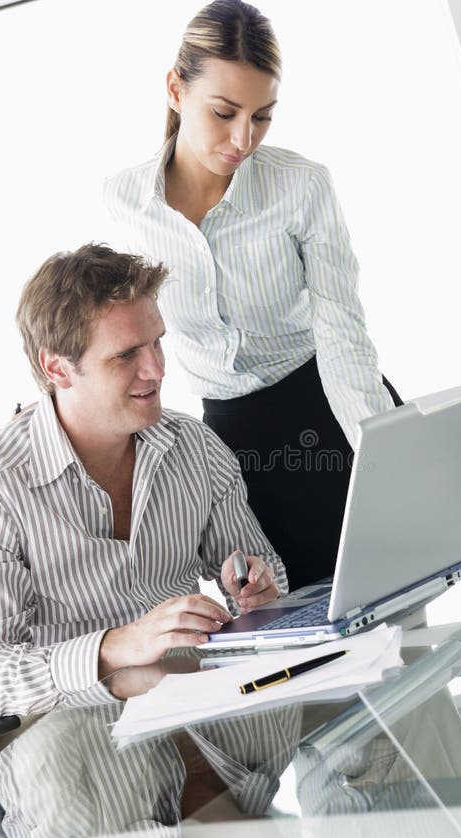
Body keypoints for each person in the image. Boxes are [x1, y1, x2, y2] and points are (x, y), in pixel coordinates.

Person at [104, 0, 398, 592]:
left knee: (396, 613)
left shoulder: (301, 185)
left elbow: (343, 334)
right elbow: (119, 337)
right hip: (233, 447)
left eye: (262, 116)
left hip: (330, 412)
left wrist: (386, 454)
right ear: (175, 90)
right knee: (284, 625)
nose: (244, 138)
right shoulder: (126, 203)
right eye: (224, 112)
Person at [0, 243, 287, 720]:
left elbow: (265, 575)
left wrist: (258, 589)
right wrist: (117, 645)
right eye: (126, 355)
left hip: (197, 700)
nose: (156, 370)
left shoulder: (195, 447)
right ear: (57, 368)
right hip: (72, 728)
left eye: (157, 342)